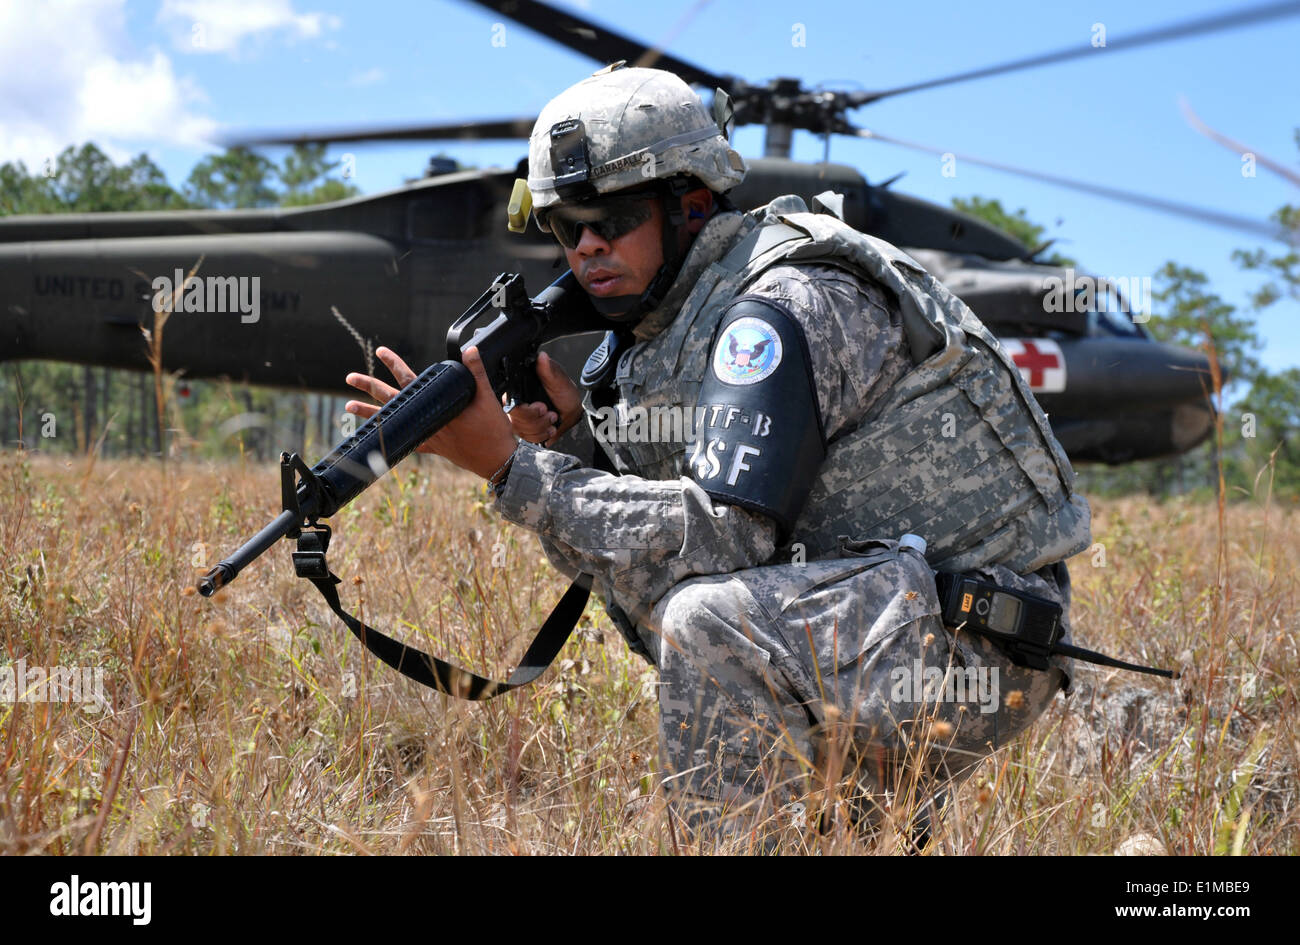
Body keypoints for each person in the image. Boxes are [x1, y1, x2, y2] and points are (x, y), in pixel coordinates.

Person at [344, 64, 1091, 848]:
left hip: (980, 640)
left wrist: (514, 470)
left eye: (617, 216)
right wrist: (569, 444)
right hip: (893, 612)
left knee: (710, 624)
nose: (589, 246)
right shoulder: (660, 328)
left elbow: (719, 541)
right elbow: (656, 550)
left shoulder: (777, 308)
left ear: (691, 204)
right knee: (705, 610)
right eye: (568, 227)